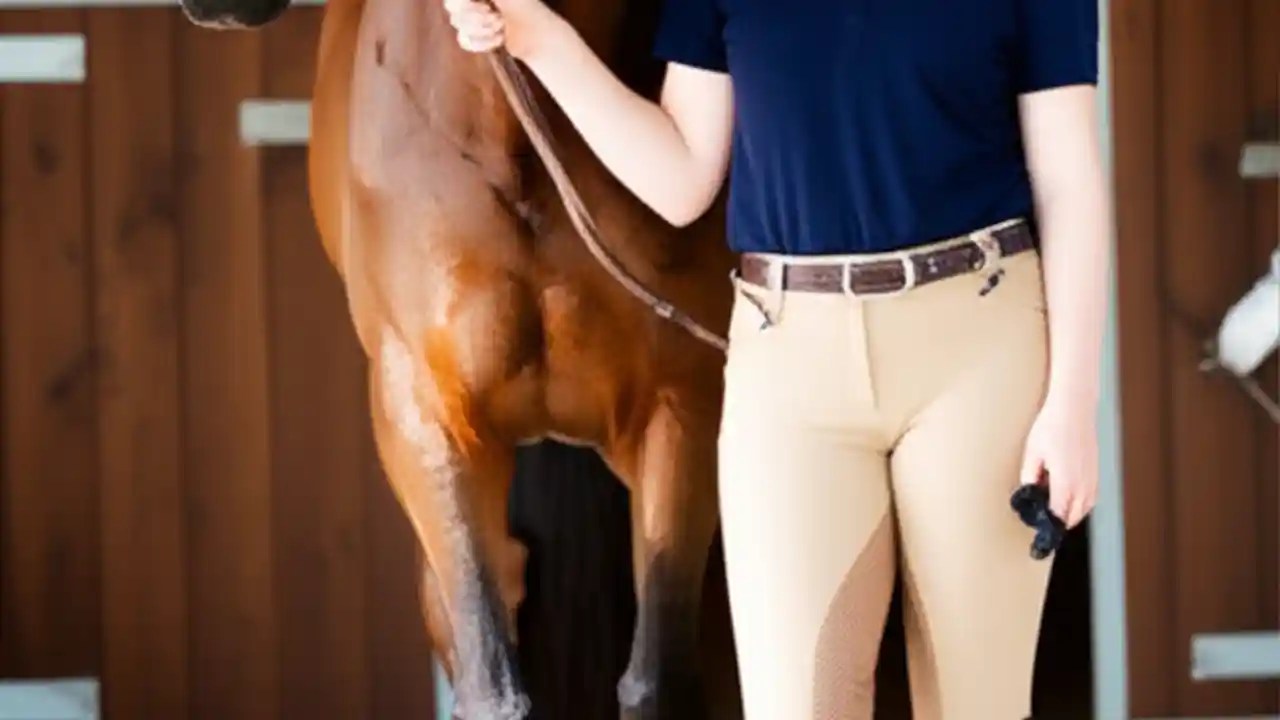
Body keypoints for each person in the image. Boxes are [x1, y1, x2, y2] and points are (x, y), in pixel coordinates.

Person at [443, 0, 1109, 716]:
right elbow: (680, 180)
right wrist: (542, 40)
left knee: (979, 704)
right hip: (789, 365)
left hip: (978, 350)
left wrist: (1072, 400)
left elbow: (1068, 176)